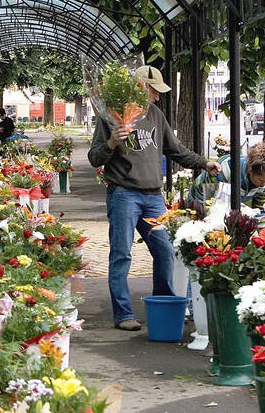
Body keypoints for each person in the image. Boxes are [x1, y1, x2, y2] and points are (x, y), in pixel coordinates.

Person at [87, 64, 222, 331]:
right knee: (121, 254)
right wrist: (112, 143)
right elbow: (94, 158)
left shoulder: (156, 115)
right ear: (140, 88)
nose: (158, 97)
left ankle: (164, 304)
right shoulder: (111, 116)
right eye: (154, 91)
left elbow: (175, 149)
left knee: (165, 251)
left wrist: (204, 163)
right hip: (123, 194)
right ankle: (123, 314)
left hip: (152, 197)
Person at [189, 140, 265, 208]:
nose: (264, 183)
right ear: (250, 170)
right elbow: (204, 196)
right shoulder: (224, 171)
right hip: (198, 197)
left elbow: (259, 208)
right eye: (261, 180)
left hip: (226, 203)